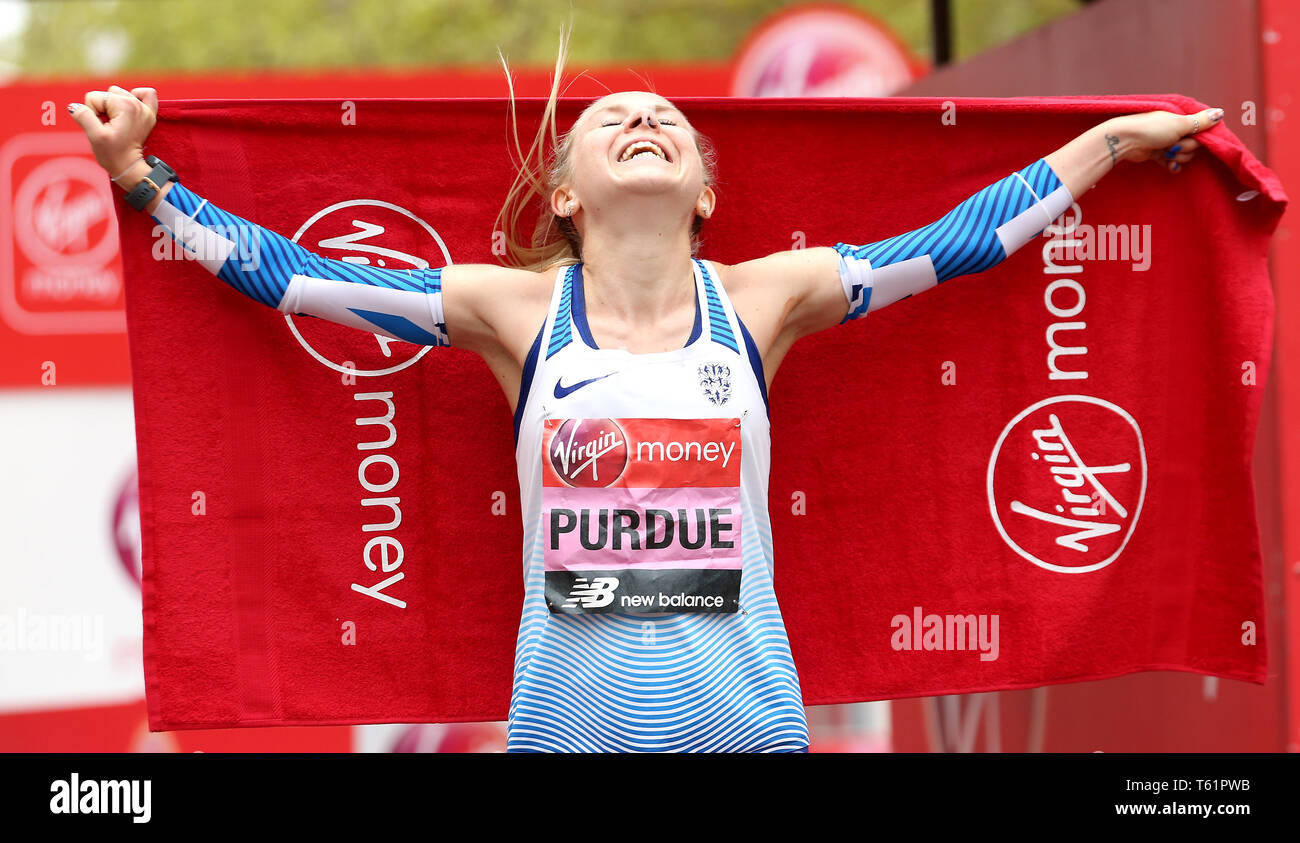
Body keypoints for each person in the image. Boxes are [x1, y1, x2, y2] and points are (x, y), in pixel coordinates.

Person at [71, 66, 1222, 752]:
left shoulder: (767, 298)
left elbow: (955, 244)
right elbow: (296, 278)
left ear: (706, 191)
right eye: (613, 118)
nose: (645, 120)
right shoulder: (510, 313)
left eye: (669, 120)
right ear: (566, 193)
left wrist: (1111, 143)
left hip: (747, 726)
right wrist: (139, 180)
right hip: (568, 731)